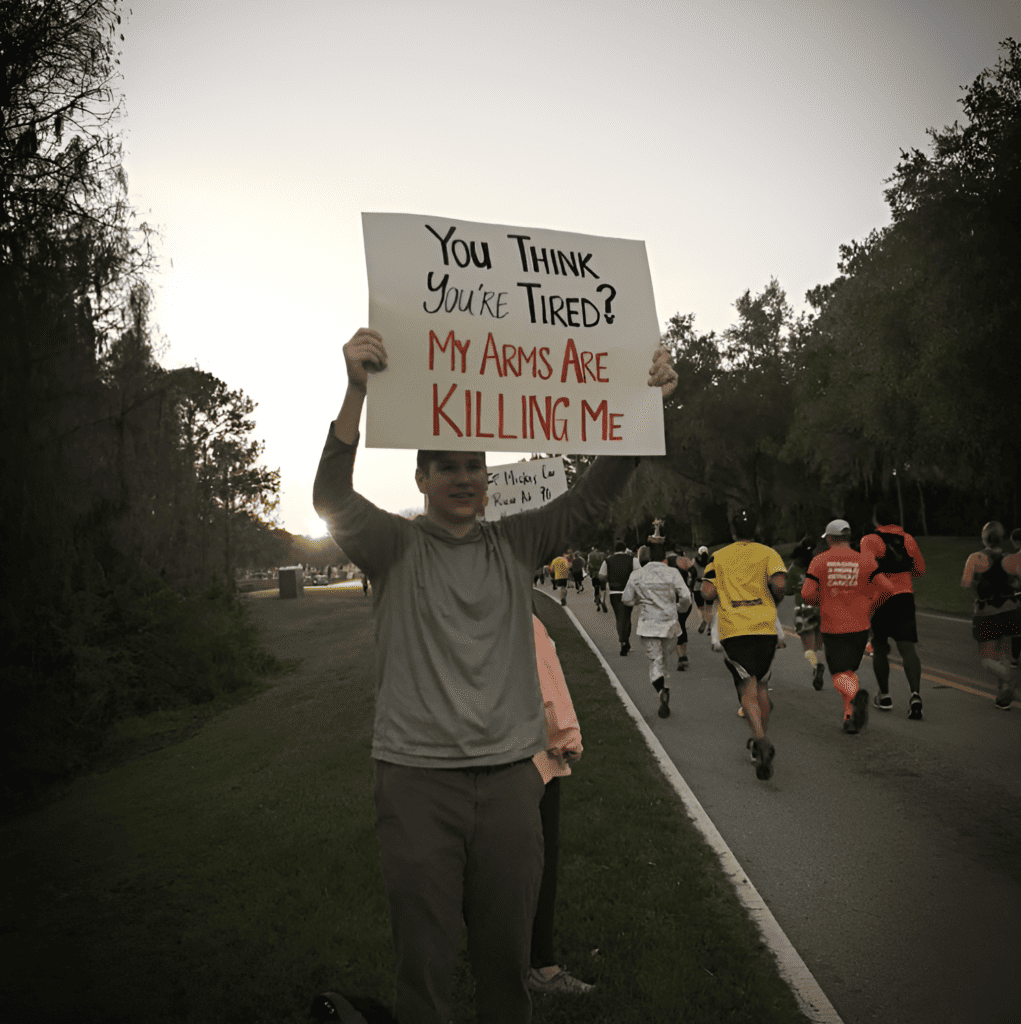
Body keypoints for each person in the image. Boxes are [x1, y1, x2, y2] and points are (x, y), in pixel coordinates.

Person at [313, 328, 676, 1024]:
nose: (464, 475)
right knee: (423, 957)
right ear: (420, 478)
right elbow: (330, 490)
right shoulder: (391, 546)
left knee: (505, 960)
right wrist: (356, 391)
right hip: (416, 779)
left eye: (474, 463)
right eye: (446, 465)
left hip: (512, 778)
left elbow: (595, 494)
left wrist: (647, 402)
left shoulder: (517, 543)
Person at [528, 613, 593, 996]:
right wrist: (566, 737)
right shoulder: (517, 612)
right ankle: (539, 964)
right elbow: (544, 678)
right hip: (531, 755)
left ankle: (507, 956)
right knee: (538, 861)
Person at [699, 510, 786, 780]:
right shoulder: (769, 553)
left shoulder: (719, 556)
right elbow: (780, 584)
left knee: (746, 687)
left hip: (735, 629)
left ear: (733, 531)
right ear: (755, 528)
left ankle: (760, 740)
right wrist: (772, 603)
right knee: (761, 684)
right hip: (765, 627)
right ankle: (760, 738)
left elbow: (708, 592)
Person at [802, 519, 894, 735]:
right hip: (860, 626)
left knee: (837, 675)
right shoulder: (865, 561)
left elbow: (806, 593)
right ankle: (849, 716)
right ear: (849, 537)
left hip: (833, 626)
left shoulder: (819, 561)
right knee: (848, 671)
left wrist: (821, 601)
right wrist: (871, 605)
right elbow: (888, 588)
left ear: (831, 539)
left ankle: (855, 699)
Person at [859, 503, 926, 719]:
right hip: (904, 597)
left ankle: (885, 695)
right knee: (908, 649)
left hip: (881, 598)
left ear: (876, 520)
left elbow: (868, 568)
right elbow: (920, 570)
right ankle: (915, 694)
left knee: (879, 647)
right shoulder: (908, 539)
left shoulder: (870, 540)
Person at [621, 540, 691, 718]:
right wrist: (679, 608)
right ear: (664, 556)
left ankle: (661, 691)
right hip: (670, 624)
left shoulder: (637, 575)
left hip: (649, 624)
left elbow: (626, 599)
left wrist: (639, 601)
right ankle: (662, 685)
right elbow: (685, 597)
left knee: (655, 661)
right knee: (664, 660)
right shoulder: (673, 573)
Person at [961, 521, 1021, 710]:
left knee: (987, 659)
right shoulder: (1013, 559)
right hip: (1012, 610)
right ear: (1003, 538)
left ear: (984, 538)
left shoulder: (975, 558)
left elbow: (966, 582)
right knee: (1003, 652)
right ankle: (1003, 697)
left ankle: (1009, 679)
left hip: (987, 613)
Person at [785, 535, 826, 690]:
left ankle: (816, 665)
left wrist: (797, 588)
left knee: (808, 647)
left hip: (804, 610)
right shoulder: (818, 564)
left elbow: (787, 590)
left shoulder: (795, 568)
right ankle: (820, 664)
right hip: (820, 608)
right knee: (819, 645)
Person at [598, 542, 641, 656]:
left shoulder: (608, 561)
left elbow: (601, 576)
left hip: (614, 592)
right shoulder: (633, 559)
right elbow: (639, 573)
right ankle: (625, 640)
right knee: (627, 616)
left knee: (619, 617)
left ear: (615, 550)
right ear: (624, 549)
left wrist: (609, 578)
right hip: (628, 591)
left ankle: (623, 641)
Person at [693, 545, 712, 633]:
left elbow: (692, 575)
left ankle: (704, 620)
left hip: (697, 586)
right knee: (709, 607)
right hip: (708, 585)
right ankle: (709, 626)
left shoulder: (694, 562)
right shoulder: (711, 563)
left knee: (701, 607)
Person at [588, 546, 608, 612]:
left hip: (594, 575)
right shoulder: (603, 555)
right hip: (602, 574)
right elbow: (606, 563)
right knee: (603, 589)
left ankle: (597, 603)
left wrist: (590, 574)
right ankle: (603, 601)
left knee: (596, 588)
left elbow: (589, 564)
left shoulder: (590, 555)